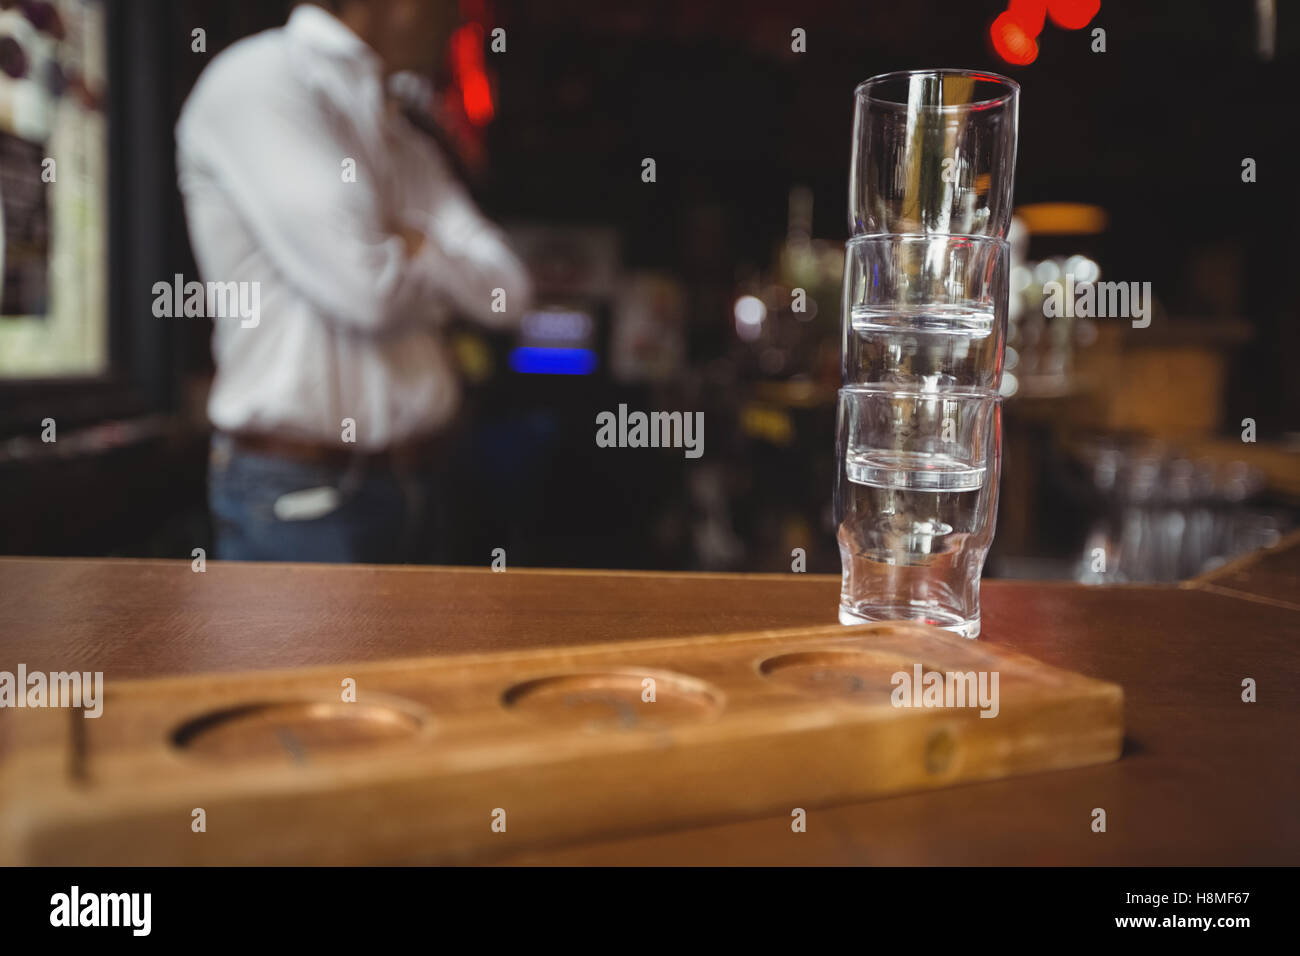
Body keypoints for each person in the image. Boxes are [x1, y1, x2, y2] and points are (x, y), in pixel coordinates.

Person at [176, 0, 532, 563]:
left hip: (423, 485)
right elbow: (367, 292)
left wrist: (419, 252)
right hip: (303, 496)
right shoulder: (261, 81)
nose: (462, 20)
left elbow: (509, 293)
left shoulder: (400, 133)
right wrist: (436, 270)